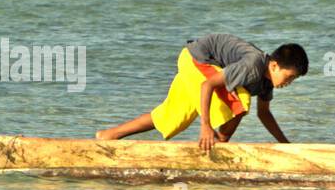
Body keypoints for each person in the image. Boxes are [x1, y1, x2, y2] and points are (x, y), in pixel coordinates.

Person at [95, 35, 308, 151]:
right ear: (273, 66)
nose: (288, 83)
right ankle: (216, 146)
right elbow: (207, 85)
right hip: (197, 59)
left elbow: (265, 115)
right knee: (241, 102)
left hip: (197, 63)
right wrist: (206, 126)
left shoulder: (266, 84)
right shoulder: (252, 66)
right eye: (288, 77)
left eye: (293, 80)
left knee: (173, 118)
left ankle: (109, 135)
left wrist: (286, 147)